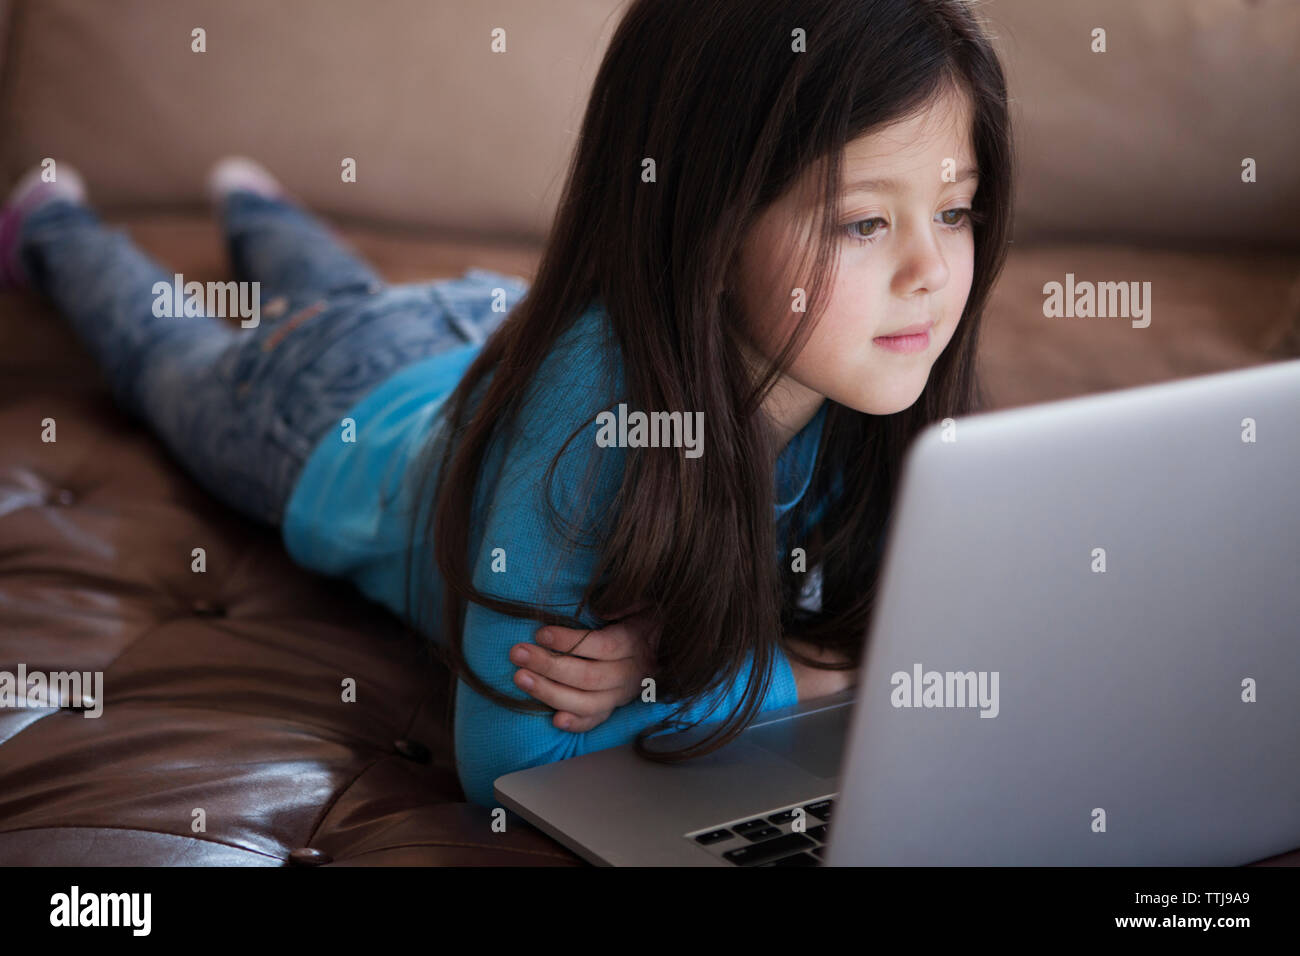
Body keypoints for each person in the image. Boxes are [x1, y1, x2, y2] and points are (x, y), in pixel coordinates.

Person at [0, 0, 1013, 808]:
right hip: (328, 408)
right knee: (167, 355)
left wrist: (678, 666)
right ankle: (52, 225)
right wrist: (725, 674)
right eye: (866, 221)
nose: (931, 269)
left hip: (474, 324)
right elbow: (512, 763)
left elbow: (934, 642)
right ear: (706, 228)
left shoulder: (876, 379)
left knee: (347, 298)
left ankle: (257, 206)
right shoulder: (591, 420)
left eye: (956, 208)